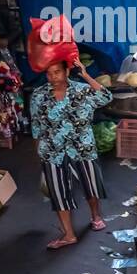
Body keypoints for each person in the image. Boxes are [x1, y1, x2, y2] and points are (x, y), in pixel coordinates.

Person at [30, 56, 112, 250]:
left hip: (82, 147)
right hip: (52, 151)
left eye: (57, 72)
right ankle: (68, 234)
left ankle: (95, 215)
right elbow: (36, 125)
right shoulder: (38, 95)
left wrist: (85, 74)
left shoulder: (82, 91)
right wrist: (38, 152)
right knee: (59, 193)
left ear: (66, 72)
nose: (53, 77)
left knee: (91, 186)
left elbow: (106, 97)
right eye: (49, 74)